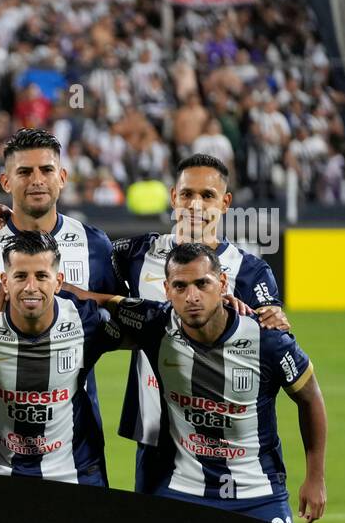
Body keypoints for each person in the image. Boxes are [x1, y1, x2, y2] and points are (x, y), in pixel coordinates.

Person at [0, 128, 117, 474]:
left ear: (62, 177)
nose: (37, 180)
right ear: (5, 181)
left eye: (46, 170)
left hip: (79, 452)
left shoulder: (95, 245)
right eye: (24, 172)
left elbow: (119, 315)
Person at [105, 242, 326, 523]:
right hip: (182, 490)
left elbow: (310, 398)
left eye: (202, 284)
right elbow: (97, 301)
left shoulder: (268, 339)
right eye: (181, 286)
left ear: (222, 284)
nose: (192, 296)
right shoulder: (156, 324)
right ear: (167, 290)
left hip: (259, 494)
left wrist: (315, 478)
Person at [111, 153, 289, 493]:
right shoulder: (135, 254)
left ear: (225, 203)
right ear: (173, 197)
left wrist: (273, 315)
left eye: (207, 196)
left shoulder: (249, 271)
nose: (195, 204)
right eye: (187, 194)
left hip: (223, 437)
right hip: (156, 433)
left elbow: (273, 333)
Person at [0, 231, 120, 482]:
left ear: (59, 281)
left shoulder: (88, 320)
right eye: (20, 276)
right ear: (4, 282)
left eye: (42, 276)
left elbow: (150, 332)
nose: (31, 287)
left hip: (75, 472)